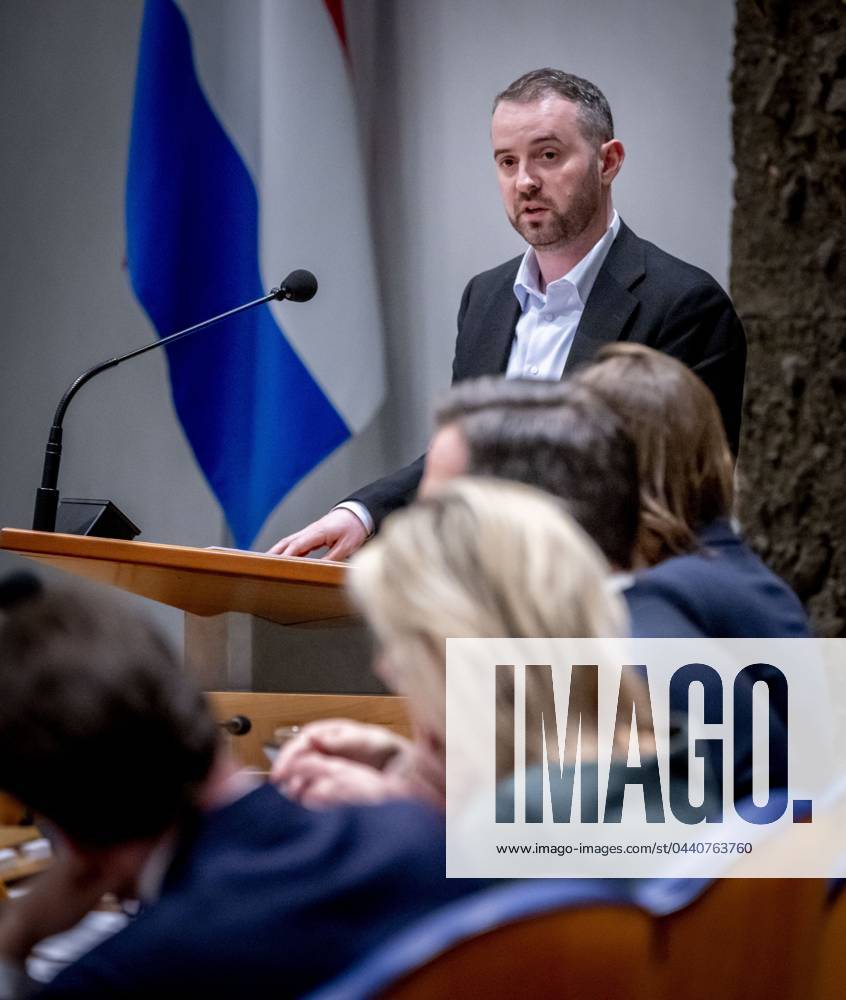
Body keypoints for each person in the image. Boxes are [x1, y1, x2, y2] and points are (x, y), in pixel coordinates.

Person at [270, 67, 746, 561]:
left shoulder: (685, 305)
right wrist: (362, 514)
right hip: (481, 608)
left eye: (548, 156)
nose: (524, 182)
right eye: (506, 161)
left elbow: (675, 500)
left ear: (608, 162)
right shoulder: (486, 298)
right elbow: (464, 456)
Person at [0, 573, 480, 998]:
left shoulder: (114, 979)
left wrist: (13, 946)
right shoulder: (427, 840)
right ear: (189, 703)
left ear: (65, 829)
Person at [273, 478, 710, 822]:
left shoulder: (508, 837)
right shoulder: (670, 762)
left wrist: (403, 818)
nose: (386, 667)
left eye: (403, 642)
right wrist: (402, 767)